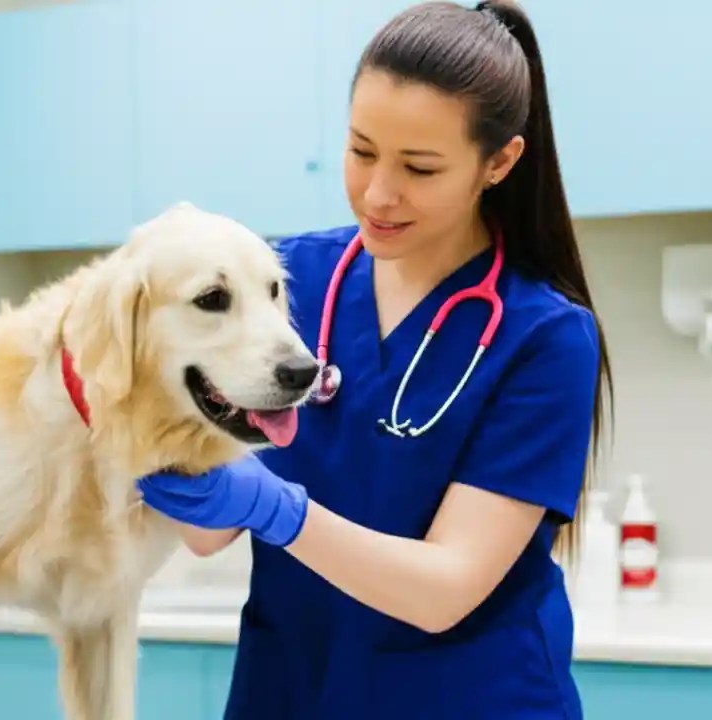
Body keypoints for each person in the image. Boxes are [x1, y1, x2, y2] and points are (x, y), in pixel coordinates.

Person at [136, 2, 613, 718]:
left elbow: (445, 589)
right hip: (290, 692)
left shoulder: (544, 338)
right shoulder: (284, 278)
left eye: (419, 168)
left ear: (500, 162)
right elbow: (207, 535)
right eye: (361, 151)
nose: (378, 193)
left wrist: (279, 510)